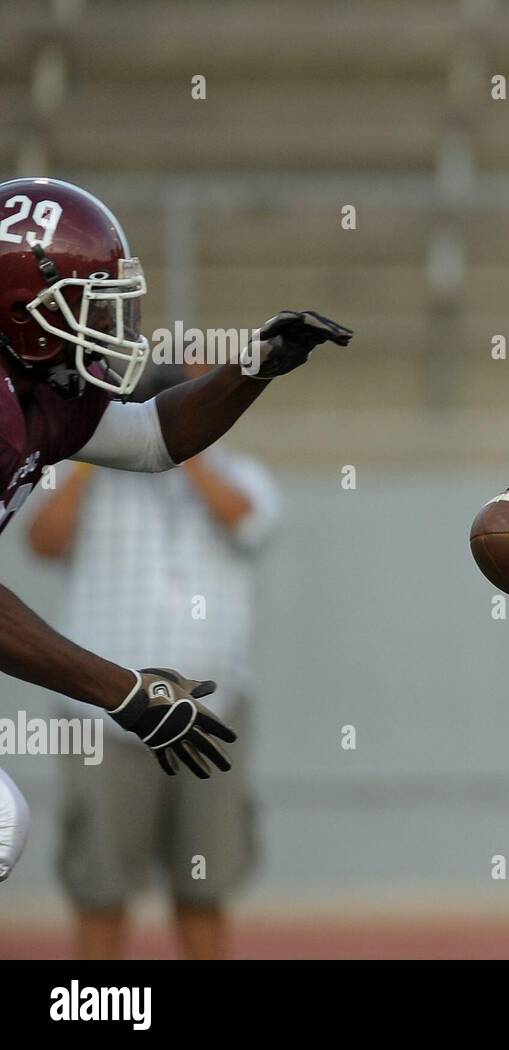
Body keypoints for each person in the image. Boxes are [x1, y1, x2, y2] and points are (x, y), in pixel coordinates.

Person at [0, 177, 350, 887]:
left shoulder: (38, 390)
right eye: (84, 303)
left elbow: (153, 435)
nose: (105, 321)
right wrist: (121, 690)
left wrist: (250, 370)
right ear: (17, 308)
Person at [26, 364, 278, 959]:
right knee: (100, 890)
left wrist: (175, 447)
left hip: (209, 714)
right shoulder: (82, 476)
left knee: (203, 889)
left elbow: (248, 523)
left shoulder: (238, 474)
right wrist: (99, 444)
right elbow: (42, 542)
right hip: (101, 719)